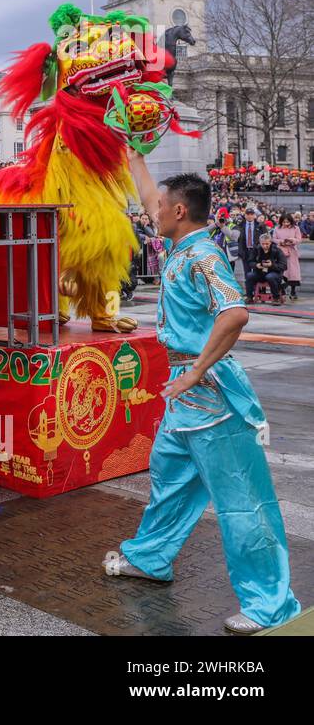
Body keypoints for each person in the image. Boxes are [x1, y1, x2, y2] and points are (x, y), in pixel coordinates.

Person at [107, 158, 300, 634]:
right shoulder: (179, 244)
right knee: (169, 481)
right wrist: (133, 152)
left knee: (242, 502)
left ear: (178, 212)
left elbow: (234, 314)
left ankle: (270, 606)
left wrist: (196, 369)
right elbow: (151, 196)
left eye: (159, 208)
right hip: (183, 400)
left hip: (212, 397)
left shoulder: (203, 257)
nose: (151, 211)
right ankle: (151, 558)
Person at [244, 232, 286, 304]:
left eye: (267, 244)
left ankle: (276, 298)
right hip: (260, 272)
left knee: (270, 277)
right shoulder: (256, 250)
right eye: (263, 244)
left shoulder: (277, 250)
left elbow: (283, 266)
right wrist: (256, 265)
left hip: (274, 273)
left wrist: (272, 265)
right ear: (260, 243)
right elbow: (250, 262)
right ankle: (249, 297)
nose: (265, 246)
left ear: (270, 242)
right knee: (249, 275)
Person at [272, 214, 303, 301]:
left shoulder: (295, 228)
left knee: (293, 272)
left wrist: (292, 240)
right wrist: (281, 242)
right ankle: (282, 290)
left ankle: (293, 291)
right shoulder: (277, 228)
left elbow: (299, 239)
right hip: (280, 251)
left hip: (292, 252)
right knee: (282, 271)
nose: (285, 223)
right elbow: (274, 239)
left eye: (287, 222)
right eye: (284, 222)